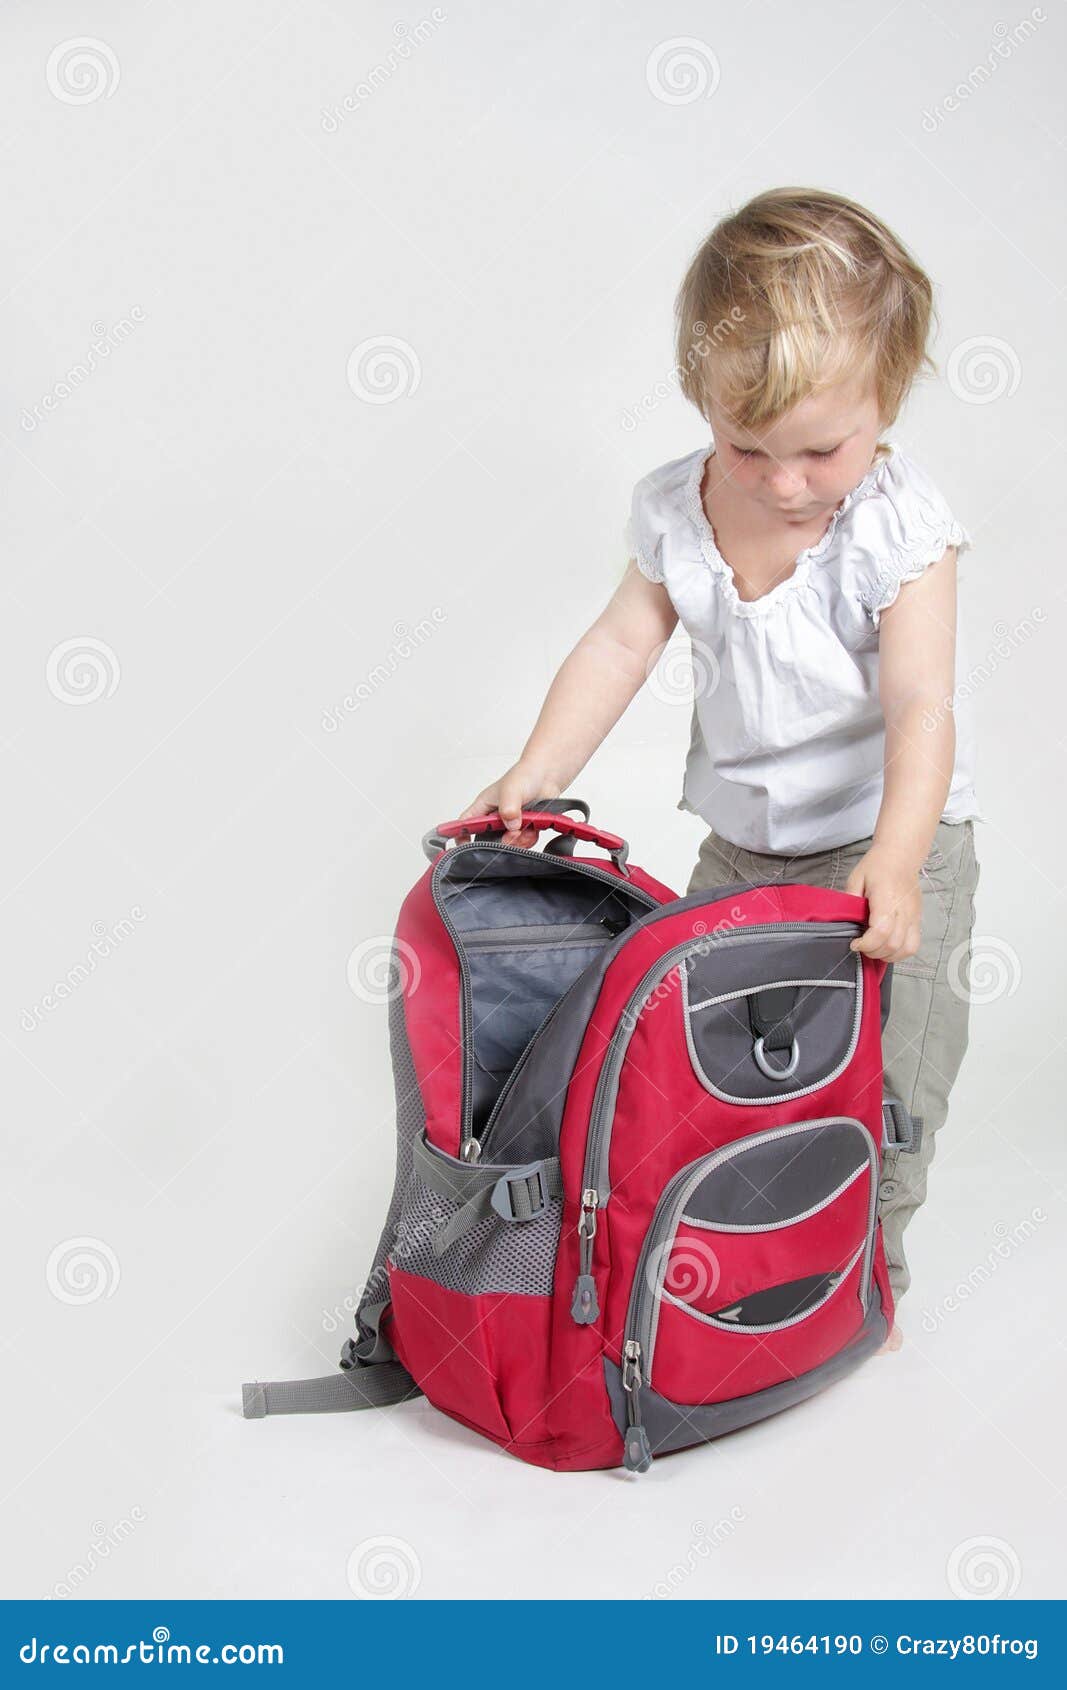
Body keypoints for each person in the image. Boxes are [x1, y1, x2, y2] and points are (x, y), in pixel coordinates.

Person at [459, 187, 984, 1350]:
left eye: (819, 450)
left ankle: (862, 1276)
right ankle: (728, 1254)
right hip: (741, 851)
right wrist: (532, 775)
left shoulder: (895, 526)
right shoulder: (675, 511)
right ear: (700, 400)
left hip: (883, 847)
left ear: (885, 403)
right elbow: (617, 646)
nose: (783, 483)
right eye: (746, 446)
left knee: (884, 1082)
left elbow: (917, 705)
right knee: (710, 1063)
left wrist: (895, 862)